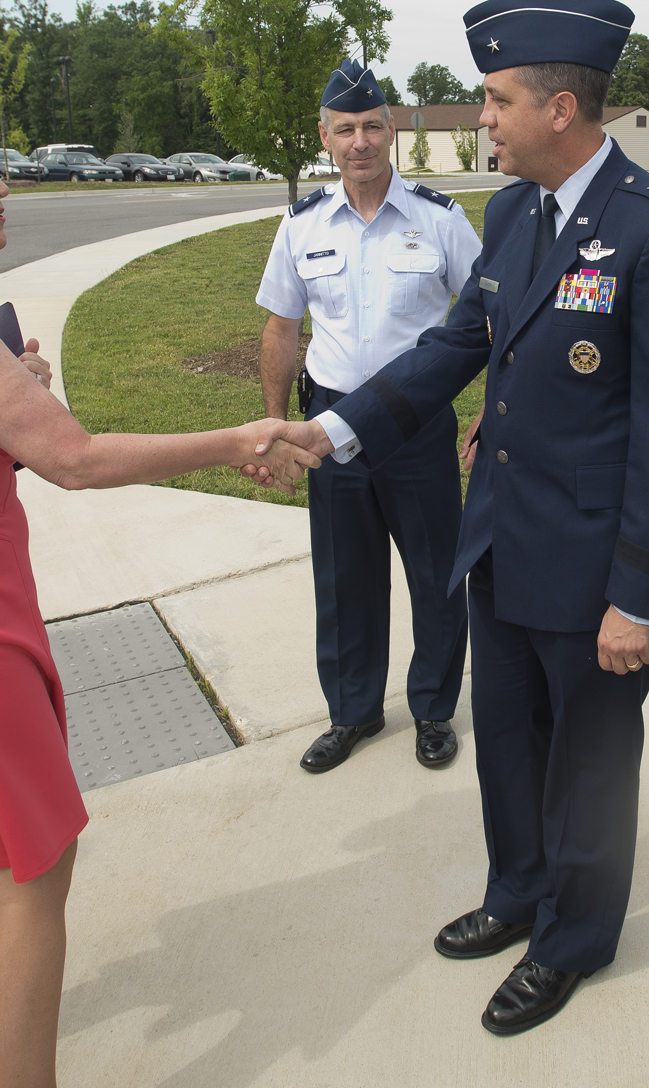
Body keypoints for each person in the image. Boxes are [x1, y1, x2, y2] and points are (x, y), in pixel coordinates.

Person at [0, 104, 314, 1088]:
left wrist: (4, 389)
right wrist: (235, 437)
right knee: (31, 873)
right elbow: (72, 460)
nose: (0, 187)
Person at [271, 0, 649, 1035]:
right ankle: (518, 893)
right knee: (512, 745)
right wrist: (335, 431)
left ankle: (571, 939)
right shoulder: (513, 212)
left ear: (558, 109)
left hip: (599, 566)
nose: (480, 121)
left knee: (590, 763)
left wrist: (643, 600)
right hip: (505, 541)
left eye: (493, 101)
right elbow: (456, 349)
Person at [256, 57, 482, 774]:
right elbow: (280, 329)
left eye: (372, 126)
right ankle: (352, 713)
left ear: (394, 131)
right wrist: (276, 433)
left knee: (435, 576)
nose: (360, 141)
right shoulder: (301, 226)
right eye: (345, 128)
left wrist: (496, 413)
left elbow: (492, 318)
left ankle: (434, 709)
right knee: (345, 579)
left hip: (415, 429)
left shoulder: (440, 220)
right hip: (328, 428)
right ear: (324, 138)